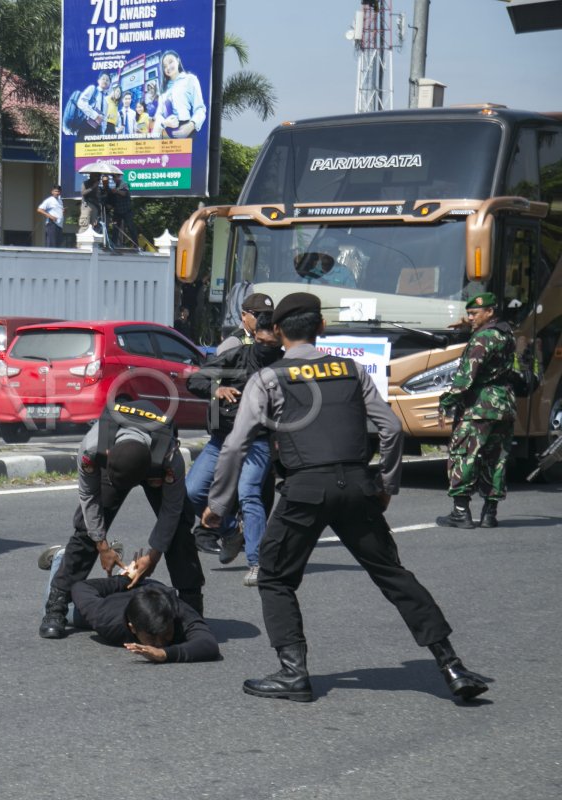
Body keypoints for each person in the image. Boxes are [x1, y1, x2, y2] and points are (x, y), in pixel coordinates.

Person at [202, 292, 488, 703]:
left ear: (279, 332)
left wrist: (217, 506)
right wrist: (387, 485)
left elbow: (235, 447)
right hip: (356, 484)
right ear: (321, 328)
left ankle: (293, 673)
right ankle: (452, 665)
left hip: (305, 489)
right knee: (392, 574)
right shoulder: (352, 369)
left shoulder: (268, 378)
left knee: (275, 576)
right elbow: (391, 429)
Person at [38, 399, 205, 639]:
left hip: (150, 462)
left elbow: (172, 510)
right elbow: (88, 495)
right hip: (117, 461)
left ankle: (192, 606)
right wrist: (102, 545)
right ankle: (56, 606)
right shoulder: (93, 446)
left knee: (180, 531)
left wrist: (153, 555)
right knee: (87, 528)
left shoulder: (168, 457)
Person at [185, 311, 284, 586]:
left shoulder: (286, 365)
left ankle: (256, 563)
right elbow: (195, 379)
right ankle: (231, 530)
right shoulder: (238, 356)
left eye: (273, 344)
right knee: (192, 490)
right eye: (262, 342)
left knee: (248, 493)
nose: (267, 348)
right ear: (255, 337)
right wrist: (216, 388)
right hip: (222, 438)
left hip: (259, 440)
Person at [37, 551, 219, 663]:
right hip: (113, 597)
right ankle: (62, 558)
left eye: (166, 635)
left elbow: (208, 644)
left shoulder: (177, 611)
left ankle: (126, 573)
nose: (160, 643)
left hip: (149, 588)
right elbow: (81, 587)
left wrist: (166, 654)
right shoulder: (106, 619)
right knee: (53, 607)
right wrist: (123, 580)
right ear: (132, 627)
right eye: (153, 639)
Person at [436, 292, 517, 529]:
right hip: (504, 405)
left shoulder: (483, 338)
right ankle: (489, 513)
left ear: (489, 312)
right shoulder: (506, 332)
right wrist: (470, 327)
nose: (469, 317)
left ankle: (460, 512)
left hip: (479, 405)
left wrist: (447, 401)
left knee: (464, 455)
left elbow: (466, 377)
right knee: (497, 459)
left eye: (474, 314)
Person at [152, 50, 206, 139]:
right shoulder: (163, 90)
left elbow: (200, 108)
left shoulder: (190, 79)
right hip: (165, 132)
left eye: (170, 62)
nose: (168, 67)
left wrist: (191, 125)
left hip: (185, 129)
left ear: (178, 60)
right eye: (165, 66)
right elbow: (158, 114)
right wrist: (166, 123)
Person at [75, 72, 110, 139]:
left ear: (109, 83)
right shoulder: (93, 89)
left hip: (98, 131)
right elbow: (80, 102)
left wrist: (103, 133)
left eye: (107, 80)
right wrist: (95, 116)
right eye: (103, 79)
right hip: (86, 126)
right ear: (98, 80)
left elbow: (104, 118)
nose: (105, 81)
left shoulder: (107, 100)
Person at [293, 251, 357, 288]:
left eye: (330, 250)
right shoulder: (310, 273)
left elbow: (352, 296)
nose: (326, 253)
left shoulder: (345, 273)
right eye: (323, 250)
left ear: (336, 253)